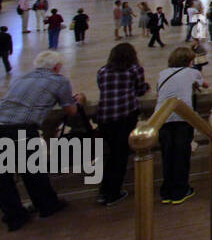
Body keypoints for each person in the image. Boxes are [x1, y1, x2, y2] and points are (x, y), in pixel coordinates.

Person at [0, 51, 83, 229]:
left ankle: (14, 215)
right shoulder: (59, 81)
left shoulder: (21, 78)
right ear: (57, 67)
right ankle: (46, 206)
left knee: (3, 177)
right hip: (21, 129)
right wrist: (79, 100)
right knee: (32, 172)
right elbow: (71, 111)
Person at [95, 42, 150, 207]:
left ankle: (104, 191)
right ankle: (111, 193)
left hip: (104, 117)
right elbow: (139, 89)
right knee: (119, 156)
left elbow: (103, 88)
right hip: (125, 116)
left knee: (111, 155)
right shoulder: (134, 69)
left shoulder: (103, 71)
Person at [156, 46, 207, 204]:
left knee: (167, 155)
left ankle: (166, 191)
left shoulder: (162, 73)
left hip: (162, 118)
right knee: (181, 155)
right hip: (182, 117)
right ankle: (180, 190)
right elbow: (206, 84)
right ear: (189, 61)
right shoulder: (192, 72)